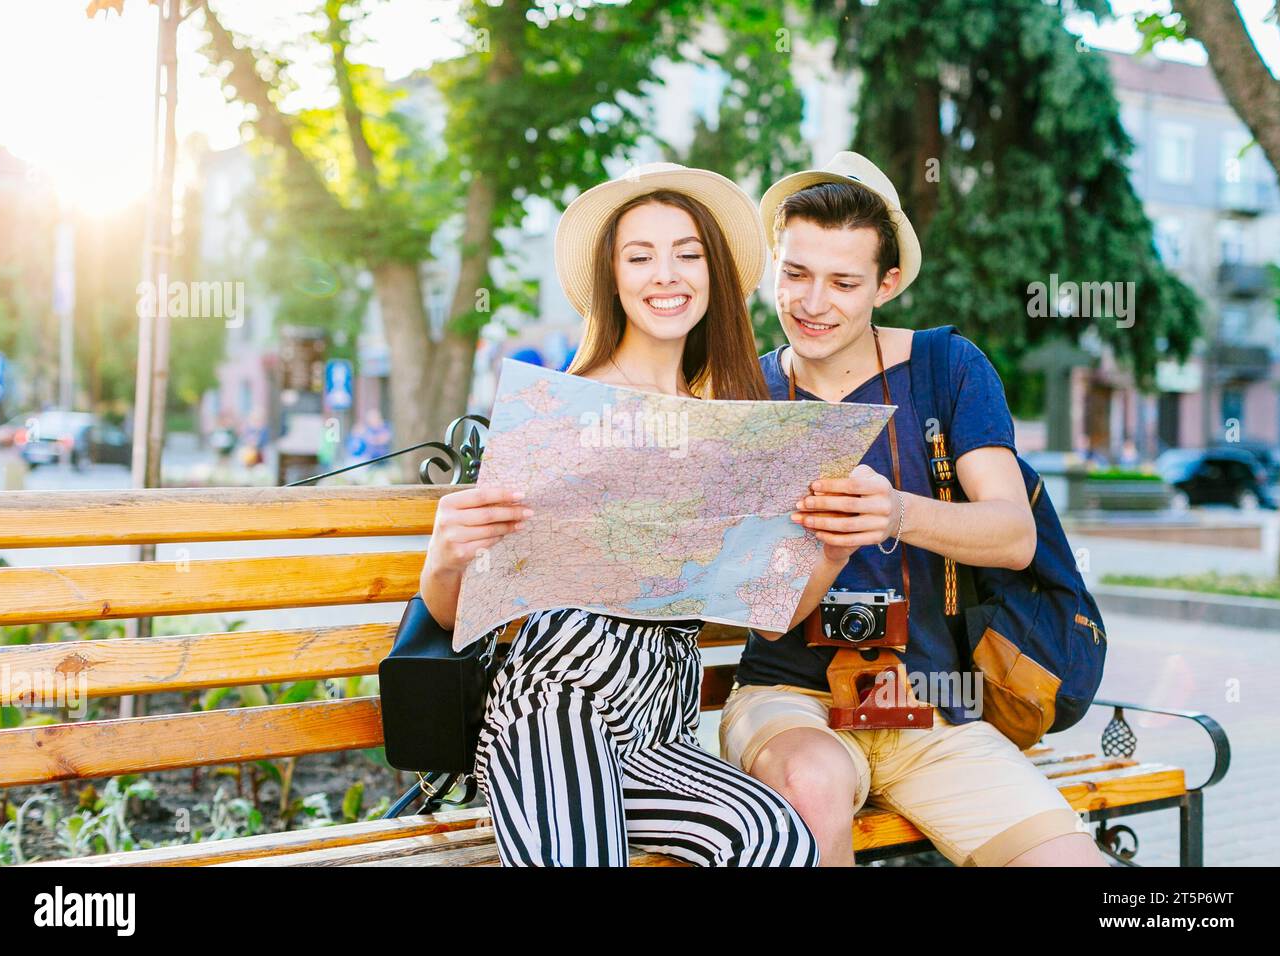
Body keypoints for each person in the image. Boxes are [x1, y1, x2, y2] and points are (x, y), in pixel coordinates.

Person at [419, 163, 820, 867]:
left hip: (662, 723)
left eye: (688, 253)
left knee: (775, 838)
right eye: (640, 256)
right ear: (613, 278)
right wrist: (445, 557)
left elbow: (772, 610)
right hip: (559, 705)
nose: (666, 274)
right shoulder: (559, 409)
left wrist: (833, 549)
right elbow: (458, 615)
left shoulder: (728, 428)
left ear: (715, 274)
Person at [719, 152, 1106, 867]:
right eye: (795, 274)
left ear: (887, 284)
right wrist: (818, 552)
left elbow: (1013, 536)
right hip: (788, 700)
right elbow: (744, 596)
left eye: (843, 282)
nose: (811, 302)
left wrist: (898, 512)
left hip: (932, 705)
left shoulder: (947, 366)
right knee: (813, 785)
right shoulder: (743, 390)